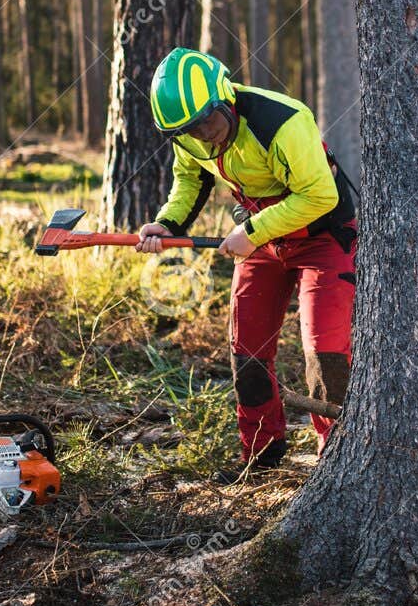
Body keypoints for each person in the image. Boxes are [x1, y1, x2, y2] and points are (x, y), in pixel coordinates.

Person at [136, 47, 357, 473]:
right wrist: (168, 224)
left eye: (207, 120)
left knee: (324, 352)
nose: (202, 134)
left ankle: (338, 461)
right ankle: (262, 454)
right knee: (247, 351)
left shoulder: (283, 121)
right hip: (259, 239)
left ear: (225, 97)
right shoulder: (188, 132)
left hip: (322, 236)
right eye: (187, 129)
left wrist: (251, 232)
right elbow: (190, 179)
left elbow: (320, 195)